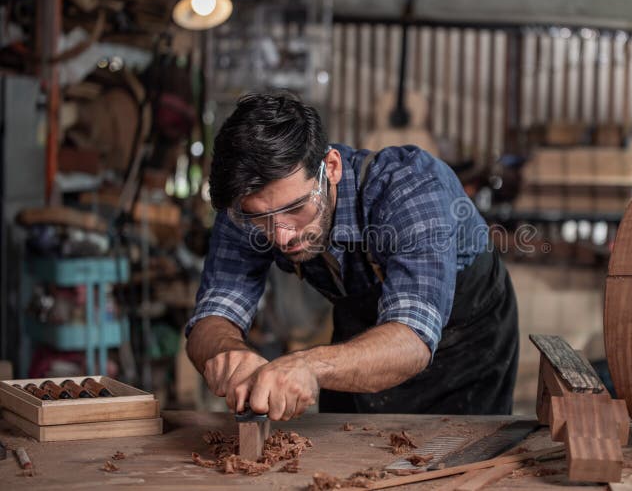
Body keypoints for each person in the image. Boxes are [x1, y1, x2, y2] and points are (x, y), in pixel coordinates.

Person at [186, 92, 519, 421]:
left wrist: (307, 365)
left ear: (330, 168)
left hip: (464, 341)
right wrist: (227, 352)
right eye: (261, 219)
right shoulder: (249, 207)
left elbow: (412, 337)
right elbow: (213, 315)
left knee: (457, 452)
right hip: (365, 331)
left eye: (297, 209)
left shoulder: (412, 189)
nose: (281, 235)